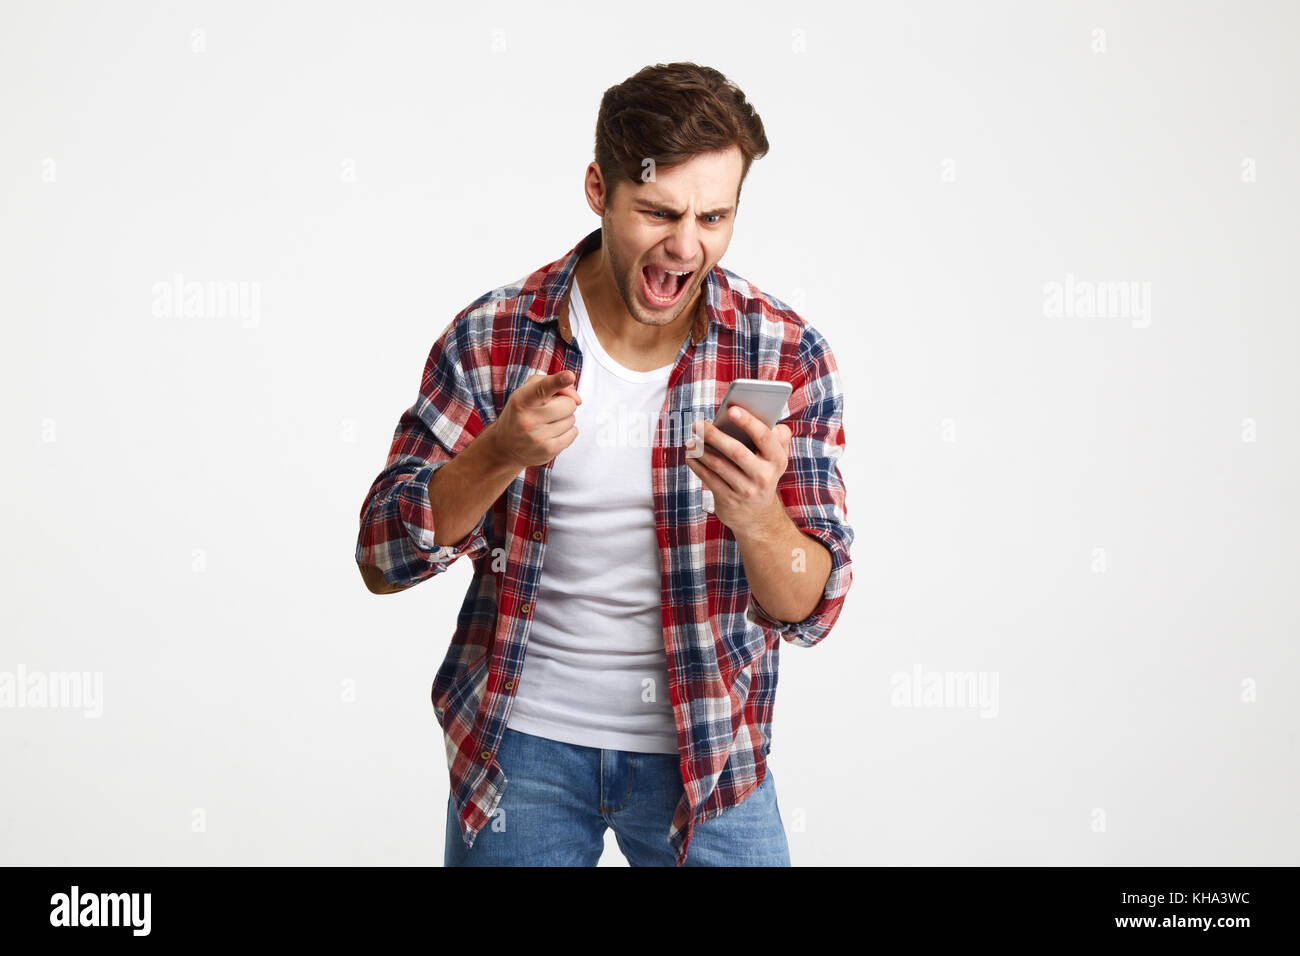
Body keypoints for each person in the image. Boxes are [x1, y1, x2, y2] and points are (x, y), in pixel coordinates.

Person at [355, 61, 854, 866]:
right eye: (659, 210)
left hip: (710, 758)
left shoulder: (784, 352)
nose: (686, 245)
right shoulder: (494, 337)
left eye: (715, 217)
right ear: (599, 188)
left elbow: (812, 609)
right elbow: (381, 556)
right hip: (522, 757)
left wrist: (759, 516)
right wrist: (499, 455)